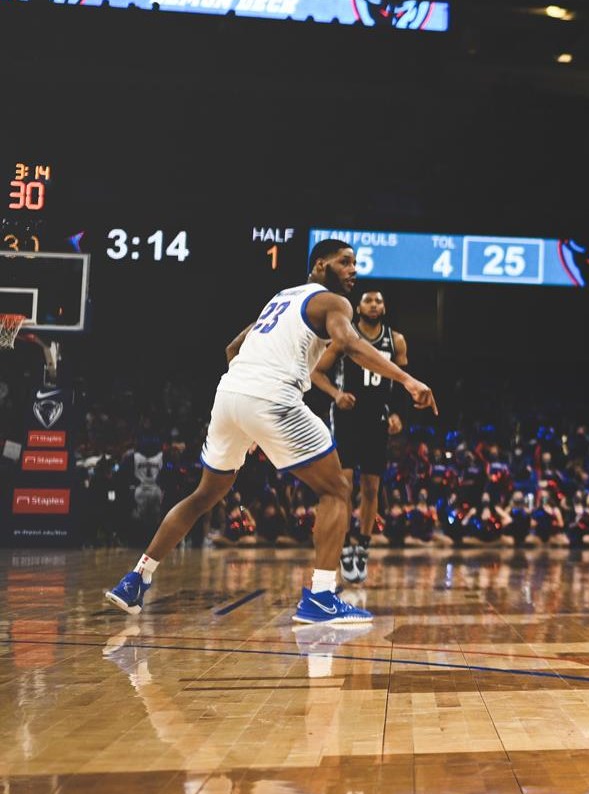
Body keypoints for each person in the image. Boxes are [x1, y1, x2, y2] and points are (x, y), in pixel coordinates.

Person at [105, 239, 436, 625]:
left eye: (355, 263)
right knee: (337, 490)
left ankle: (136, 578)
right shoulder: (332, 302)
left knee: (204, 494)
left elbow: (232, 348)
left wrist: (248, 419)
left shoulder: (280, 299)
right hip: (271, 398)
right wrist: (408, 380)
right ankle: (322, 597)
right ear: (319, 265)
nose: (353, 270)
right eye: (344, 262)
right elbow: (349, 344)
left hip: (229, 397)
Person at [310, 289, 408, 584]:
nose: (374, 304)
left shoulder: (396, 340)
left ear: (385, 306)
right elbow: (316, 373)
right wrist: (336, 394)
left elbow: (402, 383)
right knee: (344, 485)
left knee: (371, 487)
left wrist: (398, 414)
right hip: (347, 418)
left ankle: (362, 547)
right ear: (358, 306)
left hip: (377, 420)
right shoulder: (345, 336)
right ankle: (342, 545)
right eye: (368, 300)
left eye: (379, 300)